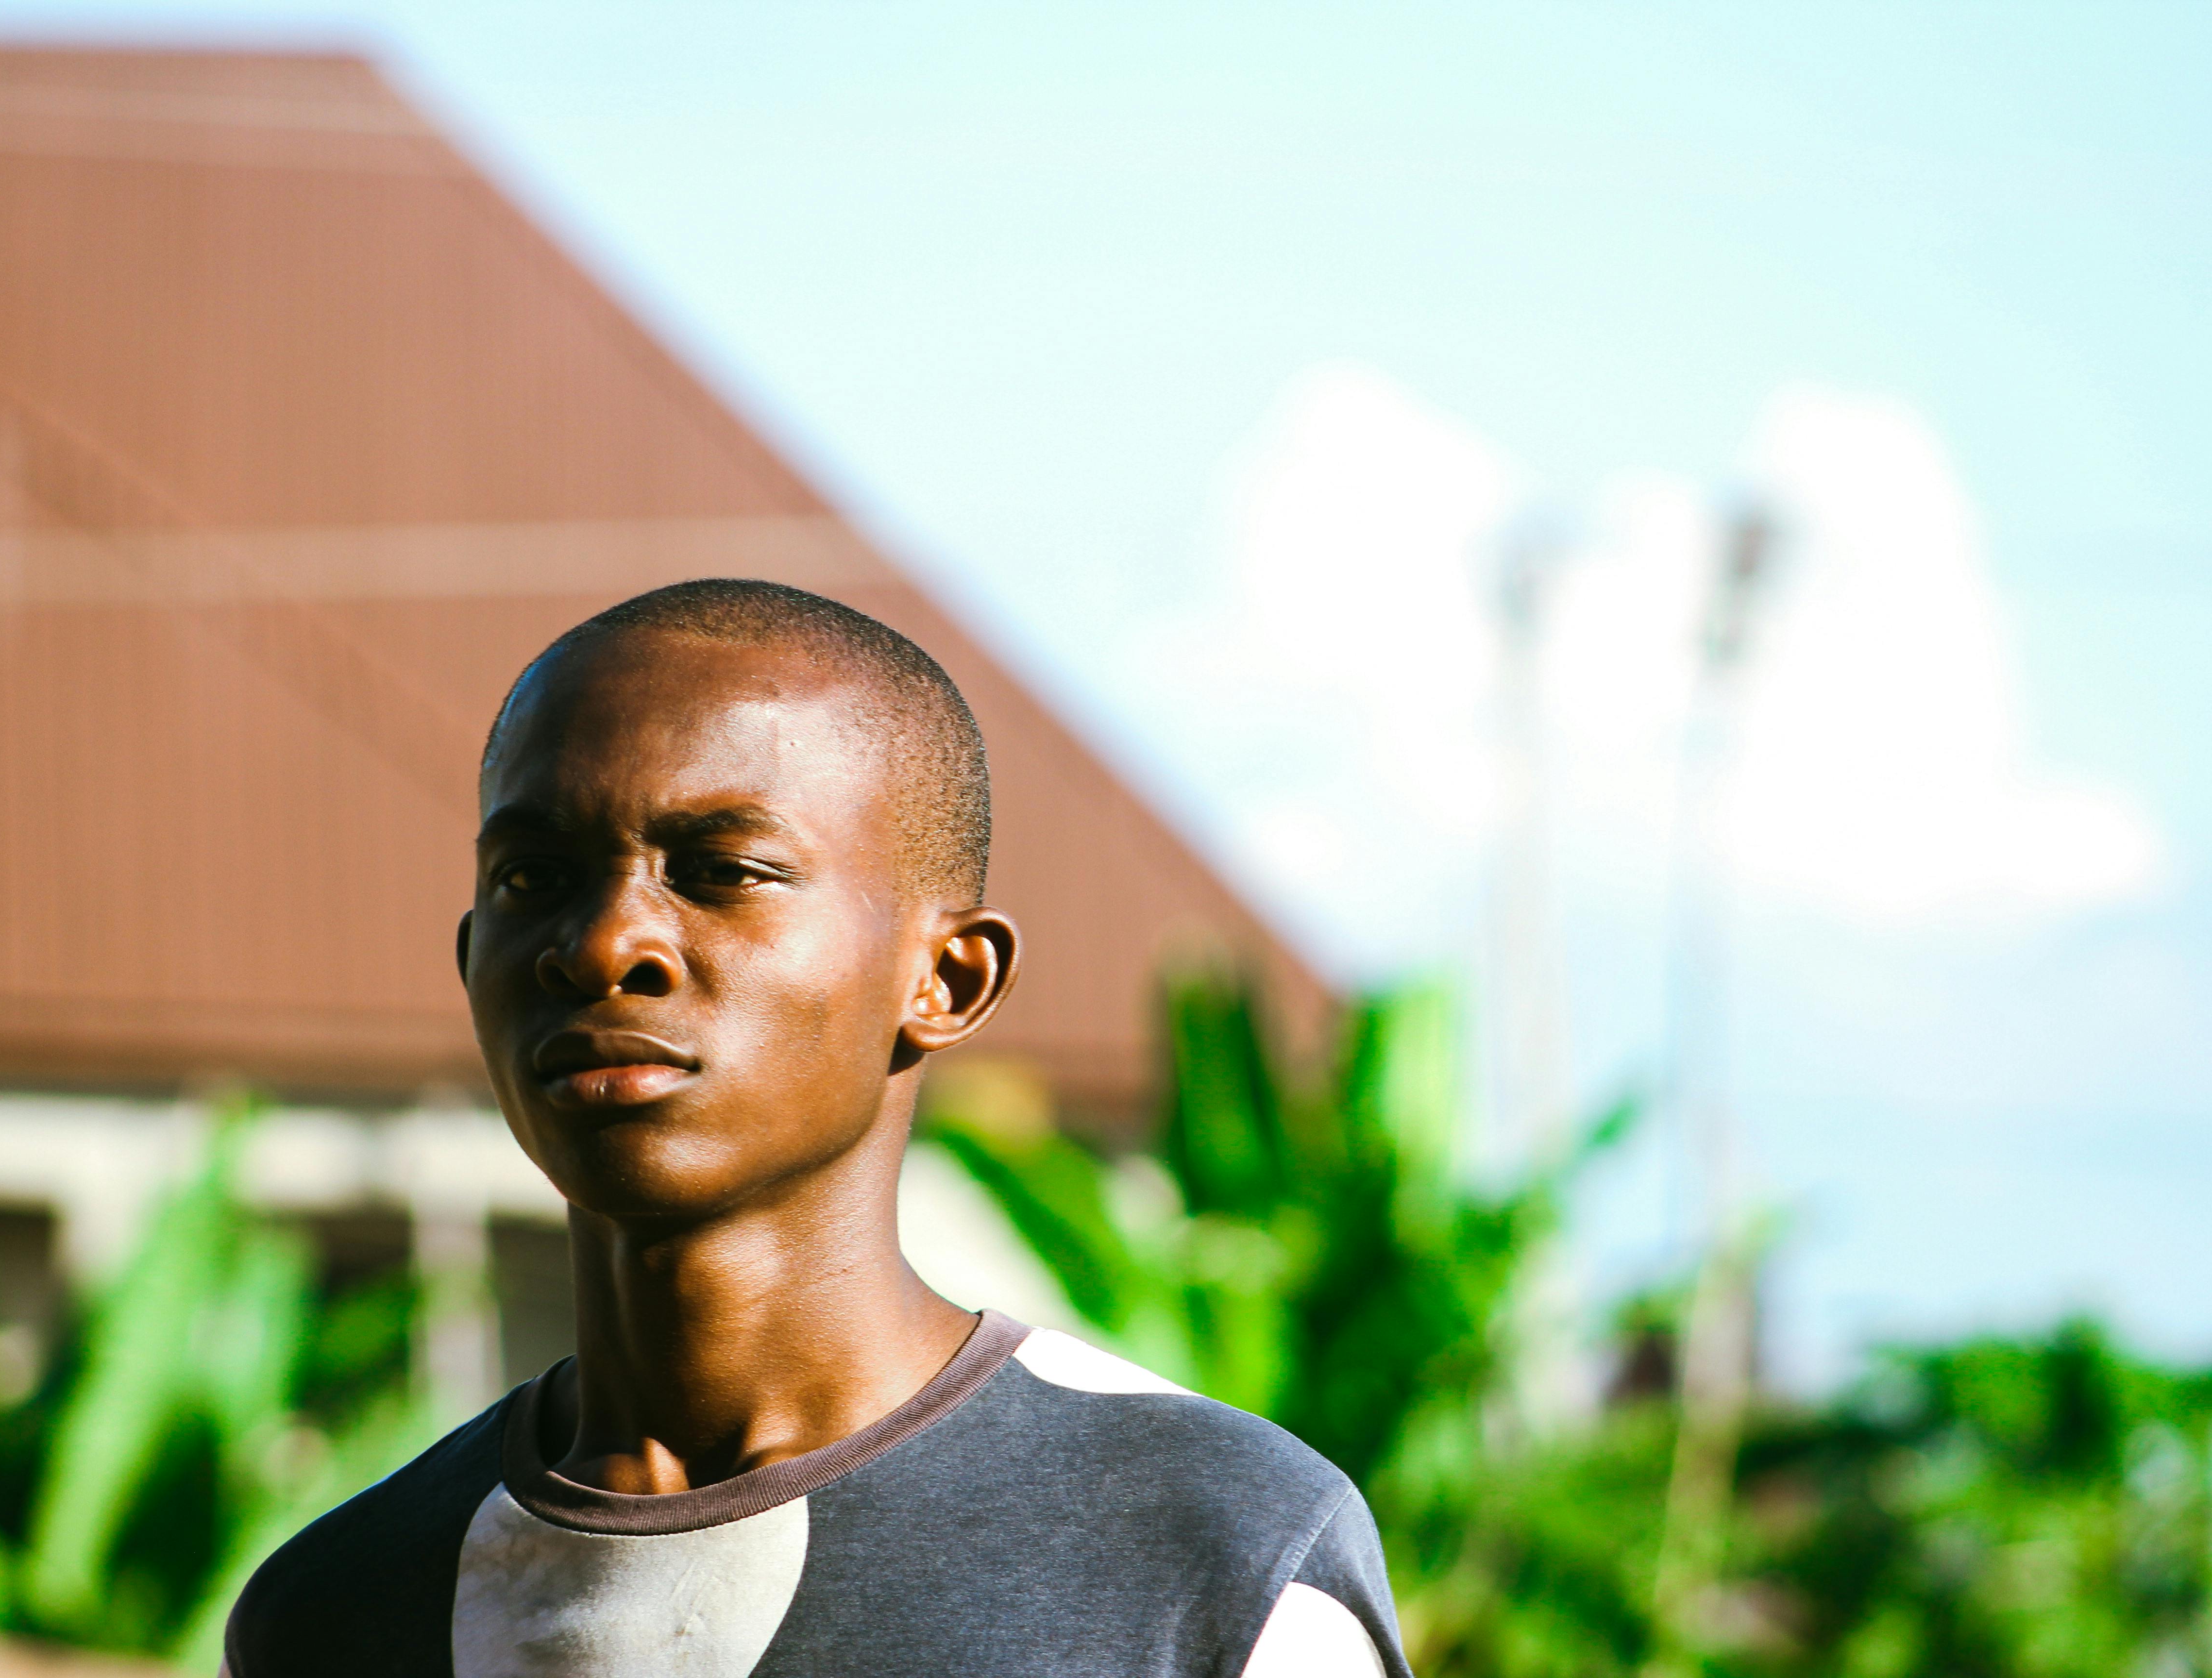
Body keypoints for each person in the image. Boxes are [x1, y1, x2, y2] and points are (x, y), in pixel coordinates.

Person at [223, 580, 1412, 1678]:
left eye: (722, 870)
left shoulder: (1208, 1556)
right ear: (470, 958)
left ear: (944, 980)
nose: (601, 945)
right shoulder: (338, 1610)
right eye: (533, 878)